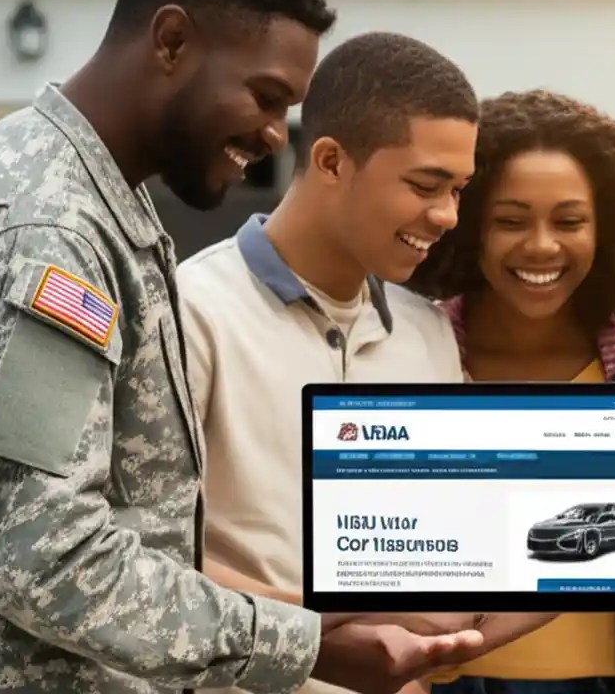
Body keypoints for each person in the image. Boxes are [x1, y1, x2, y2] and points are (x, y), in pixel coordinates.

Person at [0, 0, 486, 693]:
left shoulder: (96, 206)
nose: (275, 134)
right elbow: (43, 555)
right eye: (265, 96)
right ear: (173, 41)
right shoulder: (47, 234)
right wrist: (302, 643)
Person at [177, 34, 559, 694]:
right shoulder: (190, 313)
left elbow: (460, 559)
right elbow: (140, 567)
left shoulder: (428, 332)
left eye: (459, 190)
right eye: (426, 185)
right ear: (330, 160)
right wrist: (323, 634)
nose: (448, 216)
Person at [403, 89, 615, 694]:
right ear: (471, 226)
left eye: (569, 222)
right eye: (511, 221)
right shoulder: (413, 354)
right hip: (445, 681)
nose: (542, 245)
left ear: (606, 228)